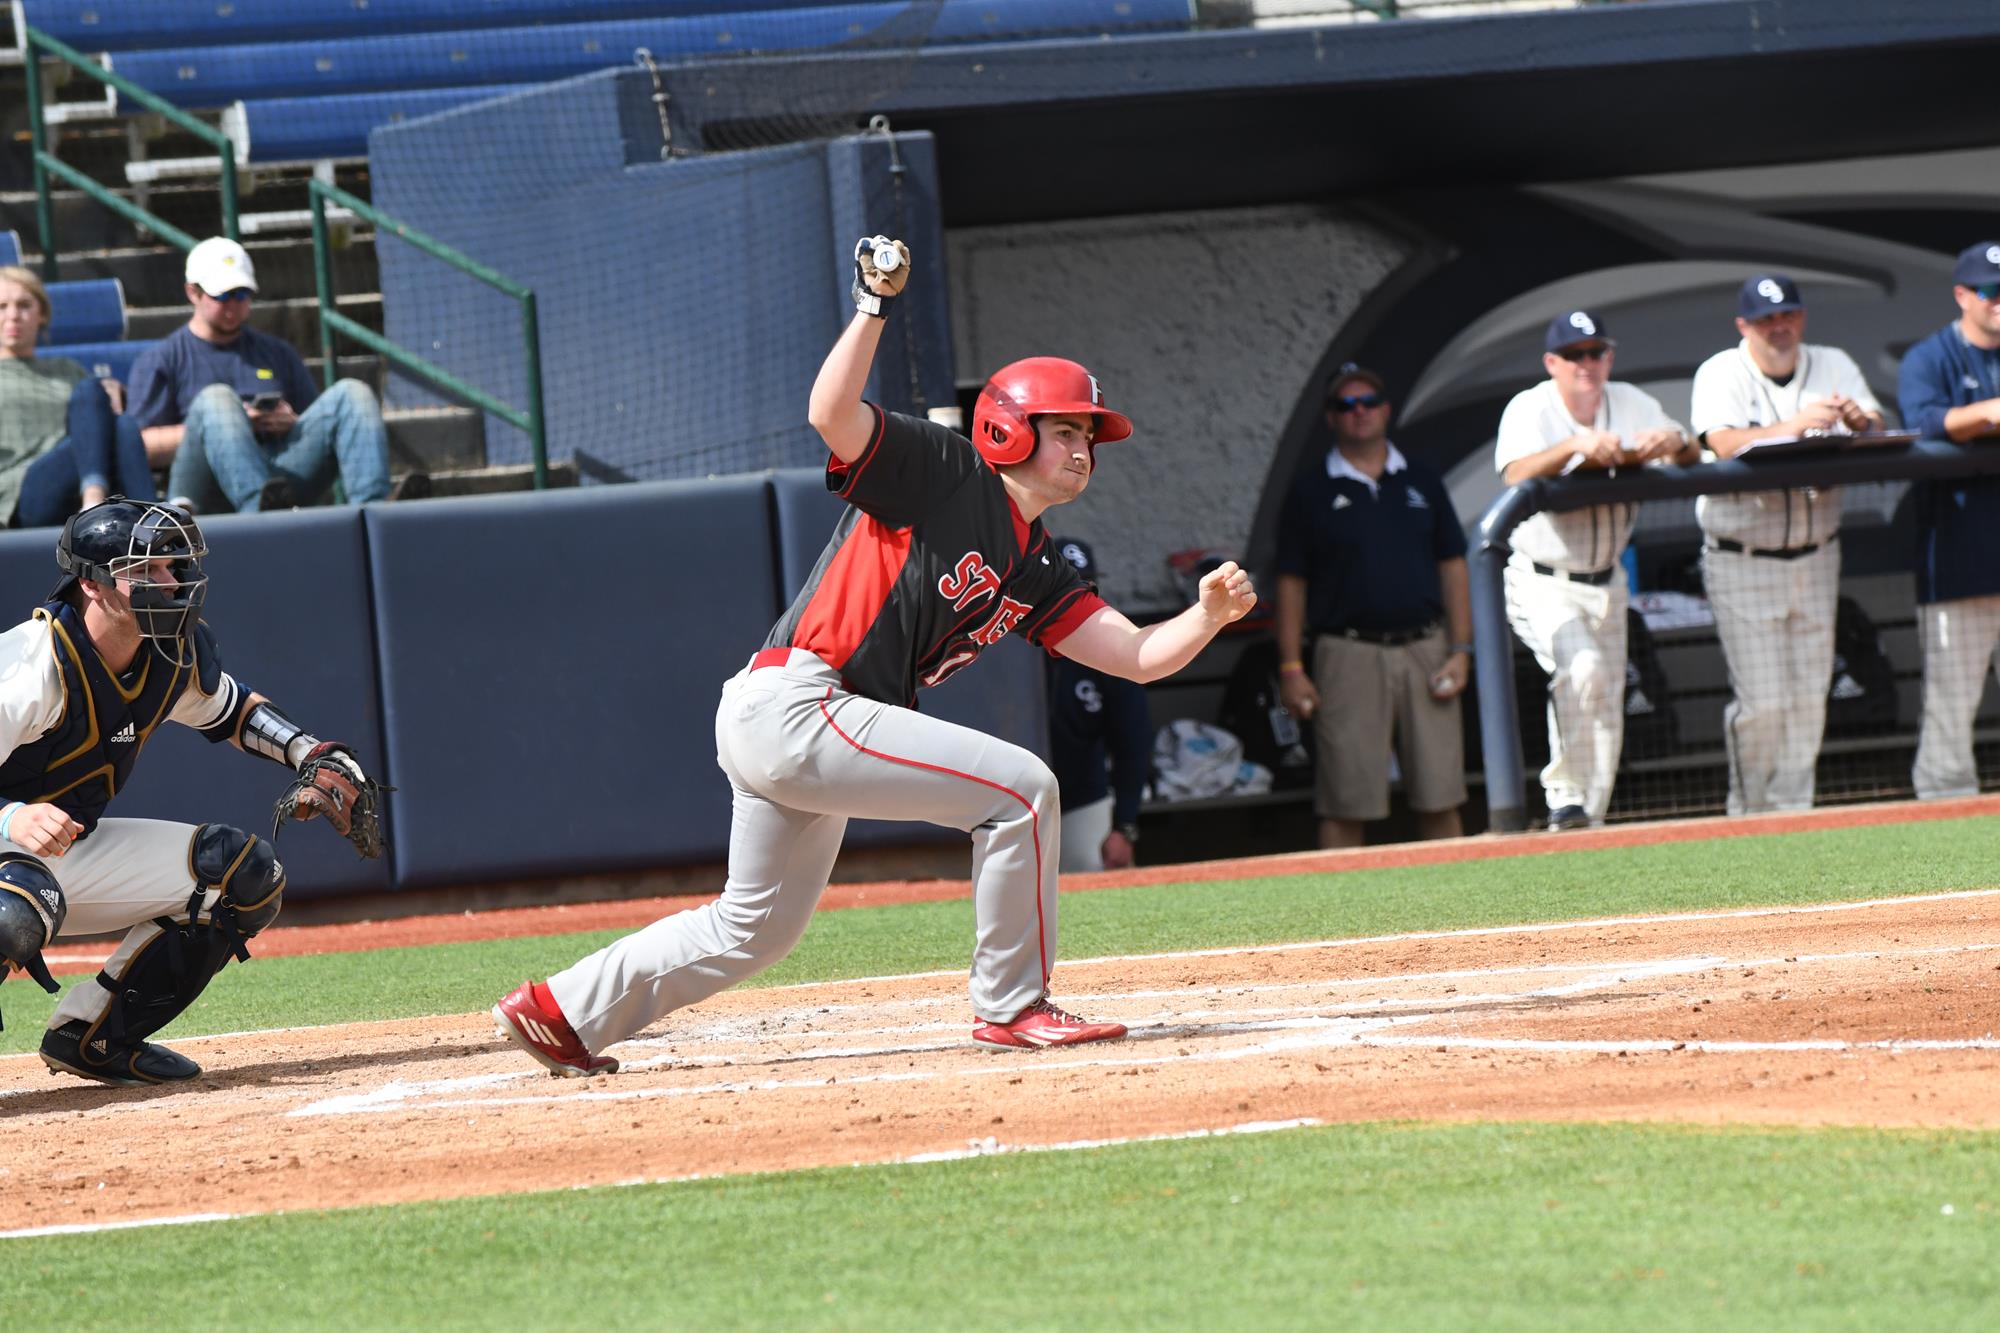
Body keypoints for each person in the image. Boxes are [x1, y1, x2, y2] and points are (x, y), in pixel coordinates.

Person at [492, 234, 1258, 1075]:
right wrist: (873, 307)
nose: (1082, 449)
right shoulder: (949, 471)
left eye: (1088, 437)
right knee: (1025, 791)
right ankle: (1012, 1006)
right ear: (1007, 429)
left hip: (799, 717)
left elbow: (1138, 657)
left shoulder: (1037, 562)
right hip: (802, 701)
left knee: (754, 929)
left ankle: (561, 1010)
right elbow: (830, 412)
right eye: (1065, 429)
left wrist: (1206, 617)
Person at [0, 498, 386, 1084]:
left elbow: (230, 711)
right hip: (11, 852)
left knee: (239, 876)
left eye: (171, 567)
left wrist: (309, 752)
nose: (169, 582)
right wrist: (11, 819)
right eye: (145, 570)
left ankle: (96, 1038)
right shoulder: (31, 665)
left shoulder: (167, 651)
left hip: (56, 855)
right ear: (92, 584)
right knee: (10, 910)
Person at [1495, 310, 1696, 831]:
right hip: (1544, 578)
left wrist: (1673, 440)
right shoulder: (1531, 407)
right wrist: (1573, 446)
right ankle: (1564, 799)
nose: (1587, 364)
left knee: (1606, 699)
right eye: (1575, 355)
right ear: (1552, 362)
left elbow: (1693, 452)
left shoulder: (1630, 401)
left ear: (1608, 357)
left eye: (1595, 353)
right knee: (1582, 670)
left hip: (1607, 578)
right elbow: (1514, 473)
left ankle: (1589, 821)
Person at [1689, 274, 1882, 816]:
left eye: (1788, 315)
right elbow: (1721, 442)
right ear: (1744, 325)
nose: (1780, 327)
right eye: (1767, 318)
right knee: (1763, 702)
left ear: (1801, 317)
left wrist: (1856, 421)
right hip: (1744, 554)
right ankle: (1749, 812)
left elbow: (1877, 424)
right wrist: (1795, 427)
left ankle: (1793, 813)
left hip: (1817, 549)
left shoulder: (1832, 362)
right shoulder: (1722, 371)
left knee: (1808, 698)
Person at [1273, 364, 1473, 848]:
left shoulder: (1422, 479)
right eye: (1346, 404)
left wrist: (1462, 648)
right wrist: (1291, 667)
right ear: (1331, 418)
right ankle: (1334, 919)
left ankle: (1468, 917)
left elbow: (1453, 567)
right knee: (1345, 801)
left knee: (1440, 796)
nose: (1358, 412)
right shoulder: (1310, 489)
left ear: (1385, 410)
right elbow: (1290, 583)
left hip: (1426, 648)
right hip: (1348, 653)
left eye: (1368, 402)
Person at [124, 237, 405, 514]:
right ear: (192, 293)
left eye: (242, 295)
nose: (233, 305)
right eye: (222, 295)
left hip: (279, 476)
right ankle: (260, 513)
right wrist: (233, 424)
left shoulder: (277, 352)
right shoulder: (163, 358)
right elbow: (139, 447)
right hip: (203, 486)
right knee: (217, 401)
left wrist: (289, 421)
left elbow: (314, 423)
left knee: (352, 393)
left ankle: (375, 512)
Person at [1897, 240, 2000, 800]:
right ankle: (1941, 809)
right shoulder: (1929, 358)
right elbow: (1924, 424)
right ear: (1963, 295)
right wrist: (1986, 412)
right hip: (1958, 560)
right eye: (1989, 291)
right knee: (1952, 702)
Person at [0, 265, 154, 527]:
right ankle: (151, 517)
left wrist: (110, 392)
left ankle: (133, 517)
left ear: (42, 315)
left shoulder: (67, 370)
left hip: (79, 480)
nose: (13, 316)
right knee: (117, 422)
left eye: (24, 305)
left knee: (117, 417)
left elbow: (95, 418)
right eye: (2, 306)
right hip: (21, 493)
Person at [1046, 537, 1152, 871]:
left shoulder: (1108, 648)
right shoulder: (1007, 641)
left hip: (1081, 800)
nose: (1074, 598)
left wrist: (1124, 826)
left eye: (1084, 587)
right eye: (1064, 586)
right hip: (1006, 804)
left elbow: (1133, 743)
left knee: (1099, 887)